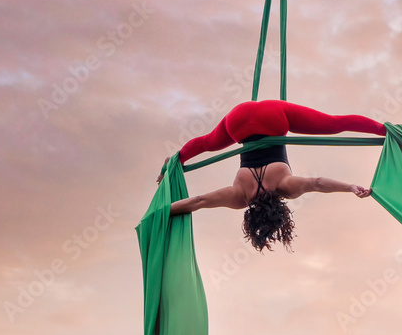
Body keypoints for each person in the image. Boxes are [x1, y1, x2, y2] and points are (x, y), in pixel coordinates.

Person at [161, 100, 386, 252]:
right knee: (209, 143)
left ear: (281, 213)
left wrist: (350, 187)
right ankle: (174, 158)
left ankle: (386, 129)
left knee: (335, 123)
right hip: (237, 120)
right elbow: (198, 201)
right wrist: (163, 210)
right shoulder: (240, 198)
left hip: (273, 116)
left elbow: (317, 183)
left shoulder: (285, 188)